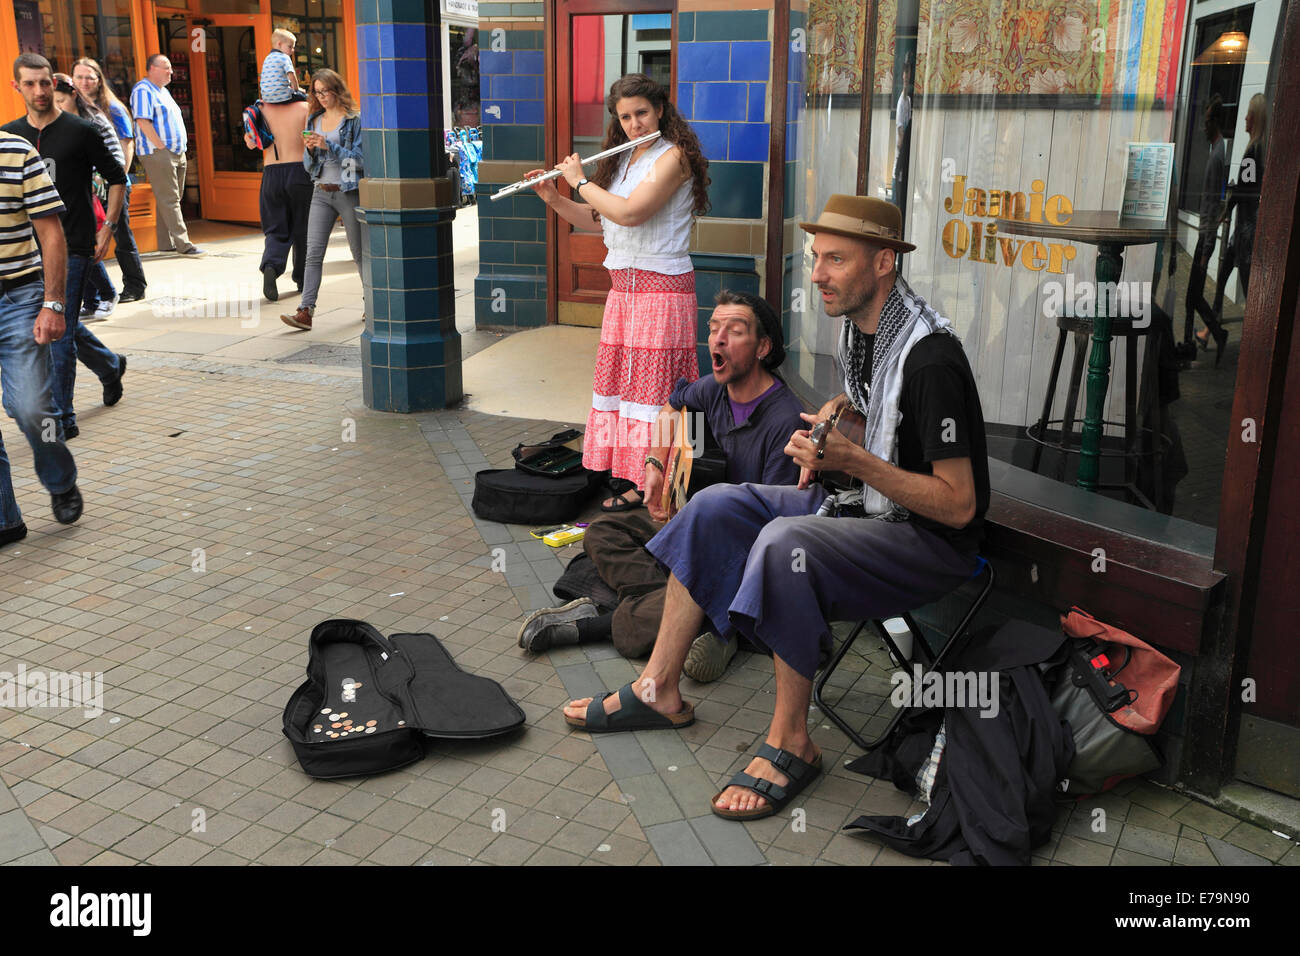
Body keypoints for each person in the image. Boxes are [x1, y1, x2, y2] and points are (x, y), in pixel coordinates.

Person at [560, 196, 990, 822]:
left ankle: (792, 740)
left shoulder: (931, 359)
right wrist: (833, 429)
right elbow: (883, 420)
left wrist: (854, 460)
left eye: (835, 260)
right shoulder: (867, 332)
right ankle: (658, 687)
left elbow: (958, 507)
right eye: (816, 258)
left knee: (786, 544)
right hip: (864, 507)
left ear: (884, 264)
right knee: (710, 507)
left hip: (928, 544)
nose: (816, 274)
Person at [518, 290, 805, 682]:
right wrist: (655, 465)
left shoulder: (785, 420)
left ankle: (591, 626)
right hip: (692, 526)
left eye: (734, 331)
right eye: (713, 328)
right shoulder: (712, 389)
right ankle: (707, 622)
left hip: (741, 552)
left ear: (763, 347)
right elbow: (672, 407)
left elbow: (774, 526)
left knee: (692, 585)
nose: (717, 339)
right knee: (603, 531)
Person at [528, 73, 710, 512]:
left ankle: (657, 477)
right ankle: (625, 471)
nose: (634, 124)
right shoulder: (625, 159)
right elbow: (601, 218)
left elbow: (630, 213)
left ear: (661, 110)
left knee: (656, 391)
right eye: (625, 117)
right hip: (624, 290)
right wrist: (553, 196)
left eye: (642, 113)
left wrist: (579, 179)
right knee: (625, 385)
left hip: (661, 289)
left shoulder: (674, 156)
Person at [5, 54, 128, 441]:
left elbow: (118, 177)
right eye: (30, 84)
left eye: (45, 83)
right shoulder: (9, 137)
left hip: (74, 245)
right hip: (27, 254)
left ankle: (61, 418)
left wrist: (107, 227)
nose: (40, 91)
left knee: (57, 335)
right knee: (59, 324)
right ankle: (109, 366)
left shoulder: (81, 131)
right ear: (17, 87)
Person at [0, 126, 84, 547]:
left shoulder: (15, 153)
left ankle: (59, 477)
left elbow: (51, 231)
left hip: (18, 295)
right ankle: (4, 519)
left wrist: (54, 303)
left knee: (30, 407)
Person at [281, 69, 364, 332]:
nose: (321, 97)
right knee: (313, 254)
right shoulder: (314, 120)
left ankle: (373, 304)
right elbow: (309, 166)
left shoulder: (353, 120)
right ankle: (306, 311)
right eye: (316, 92)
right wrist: (310, 151)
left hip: (348, 191)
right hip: (320, 191)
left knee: (359, 253)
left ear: (336, 89)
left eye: (325, 91)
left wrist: (330, 146)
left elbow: (359, 161)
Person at [73, 56, 146, 303]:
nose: (84, 82)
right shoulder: (73, 108)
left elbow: (127, 146)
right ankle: (93, 294)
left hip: (112, 184)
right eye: (79, 77)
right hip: (87, 186)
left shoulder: (112, 109)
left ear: (98, 80)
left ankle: (135, 285)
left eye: (89, 77)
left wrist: (118, 181)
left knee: (121, 235)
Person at [53, 73, 122, 323]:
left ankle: (106, 293)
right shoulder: (56, 123)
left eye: (60, 101)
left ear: (72, 95)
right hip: (67, 196)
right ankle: (92, 300)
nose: (57, 106)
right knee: (75, 249)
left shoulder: (91, 121)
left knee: (82, 249)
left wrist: (96, 182)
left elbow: (114, 160)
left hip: (95, 193)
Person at [131, 54, 203, 256]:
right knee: (170, 198)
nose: (171, 71)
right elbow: (142, 121)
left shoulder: (163, 91)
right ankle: (184, 244)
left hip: (176, 151)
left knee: (172, 198)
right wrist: (160, 146)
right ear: (152, 69)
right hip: (159, 152)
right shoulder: (143, 90)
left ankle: (166, 242)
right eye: (166, 67)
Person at [1210, 93, 1267, 335]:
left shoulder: (1253, 151)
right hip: (1245, 226)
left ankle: (1255, 330)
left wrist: (1226, 209)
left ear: (1254, 119)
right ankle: (1214, 319)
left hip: (1246, 228)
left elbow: (1245, 190)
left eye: (1248, 114)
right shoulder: (1259, 149)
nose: (1244, 118)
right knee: (1224, 273)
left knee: (1245, 278)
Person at [245, 96, 311, 301]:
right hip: (299, 171)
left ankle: (272, 267)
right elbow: (310, 141)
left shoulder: (259, 109)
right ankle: (302, 278)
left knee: (275, 226)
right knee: (303, 228)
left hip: (271, 172)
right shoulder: (304, 107)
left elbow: (250, 143)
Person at [1182, 94, 1228, 363]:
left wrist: (1207, 246)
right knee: (1193, 297)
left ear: (1215, 122)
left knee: (1192, 298)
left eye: (1207, 120)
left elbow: (1213, 203)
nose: (1203, 126)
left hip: (1205, 236)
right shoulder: (1217, 152)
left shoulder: (1217, 155)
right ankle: (1211, 336)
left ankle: (1193, 344)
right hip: (1205, 233)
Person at [260, 28, 306, 104]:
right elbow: (292, 76)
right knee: (306, 98)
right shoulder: (284, 57)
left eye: (293, 47)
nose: (293, 50)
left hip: (266, 97)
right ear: (279, 44)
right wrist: (297, 89)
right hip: (282, 96)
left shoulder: (267, 58)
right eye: (290, 47)